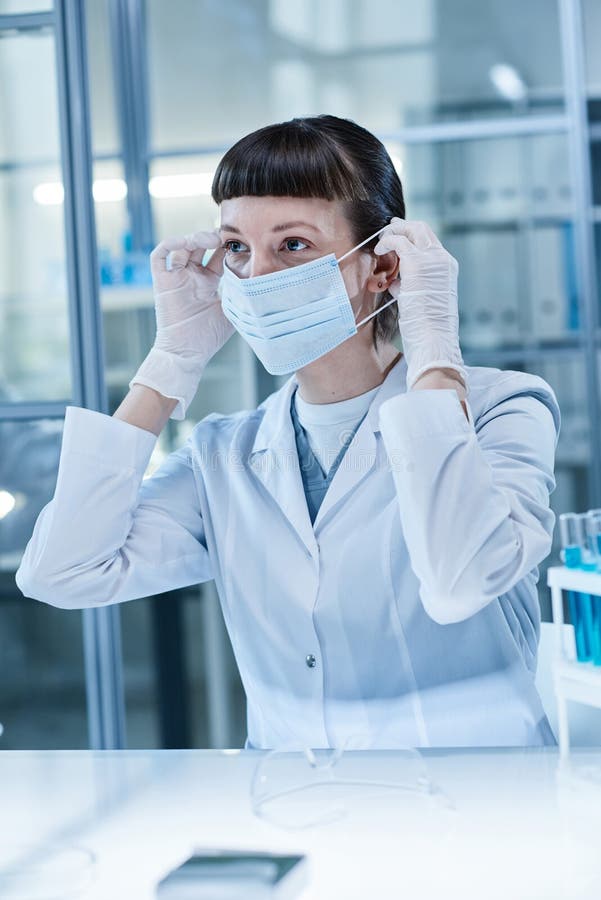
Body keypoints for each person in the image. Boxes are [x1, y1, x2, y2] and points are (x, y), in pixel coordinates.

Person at [16, 115, 560, 749]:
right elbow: (62, 571)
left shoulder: (503, 408)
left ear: (383, 266)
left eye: (293, 244)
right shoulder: (224, 454)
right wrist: (168, 364)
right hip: (291, 795)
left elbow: (459, 581)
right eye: (237, 248)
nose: (256, 275)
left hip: (481, 793)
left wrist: (436, 355)